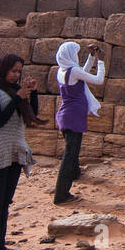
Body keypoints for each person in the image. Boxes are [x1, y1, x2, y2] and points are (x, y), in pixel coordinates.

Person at [0, 53, 42, 250]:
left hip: (14, 150)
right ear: (3, 69)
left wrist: (32, 93)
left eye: (19, 72)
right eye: (13, 71)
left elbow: (32, 115)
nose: (16, 75)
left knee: (5, 201)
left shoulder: (16, 90)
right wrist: (17, 98)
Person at [53, 40, 105, 206]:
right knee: (69, 155)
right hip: (73, 116)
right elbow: (98, 80)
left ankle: (74, 173)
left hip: (66, 115)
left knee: (72, 150)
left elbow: (82, 74)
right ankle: (61, 194)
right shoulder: (73, 71)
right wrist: (101, 61)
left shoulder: (62, 70)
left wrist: (91, 57)